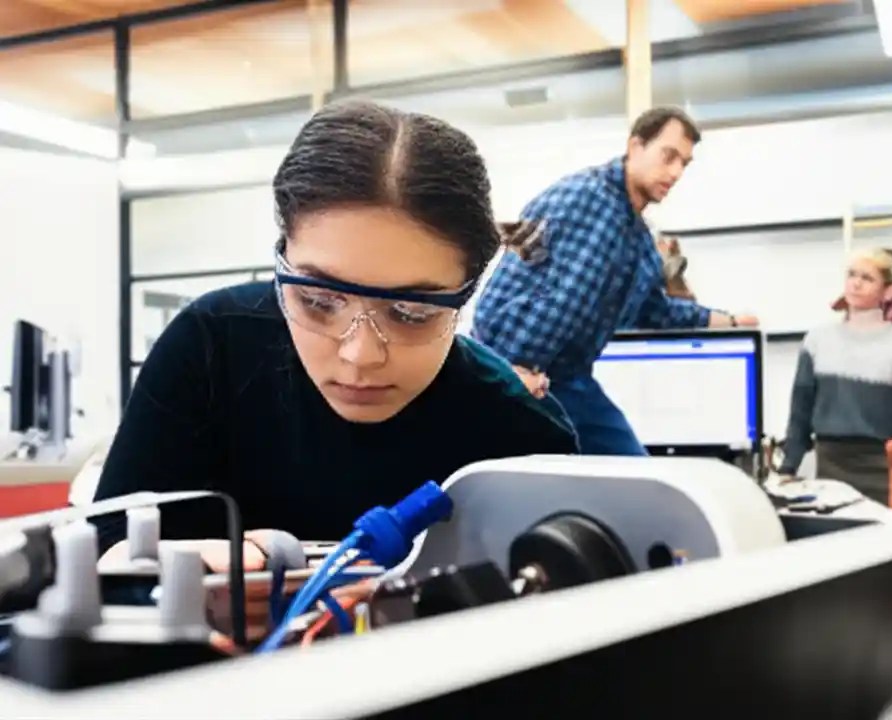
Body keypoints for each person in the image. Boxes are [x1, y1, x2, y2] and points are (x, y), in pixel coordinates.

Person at [92, 101, 578, 569]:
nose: (360, 355)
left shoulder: (523, 436)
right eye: (319, 302)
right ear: (282, 259)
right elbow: (103, 545)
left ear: (466, 292)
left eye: (410, 313)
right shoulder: (211, 344)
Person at [471, 106, 757, 456]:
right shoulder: (588, 199)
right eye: (668, 156)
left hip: (568, 378)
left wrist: (729, 321)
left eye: (684, 163)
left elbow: (658, 311)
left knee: (636, 476)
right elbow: (557, 302)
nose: (676, 172)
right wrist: (511, 373)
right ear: (636, 146)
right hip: (514, 370)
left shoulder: (638, 241)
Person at [777, 248, 892, 504]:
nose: (855, 283)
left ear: (888, 290)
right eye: (852, 275)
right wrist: (788, 468)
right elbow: (800, 412)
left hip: (889, 469)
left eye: (867, 278)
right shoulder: (818, 340)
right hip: (832, 467)